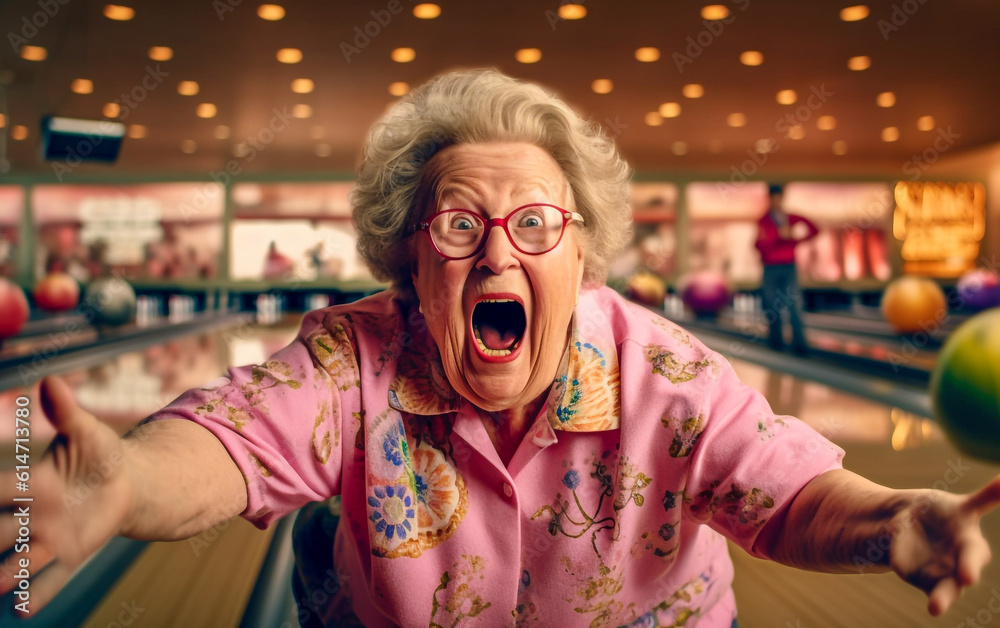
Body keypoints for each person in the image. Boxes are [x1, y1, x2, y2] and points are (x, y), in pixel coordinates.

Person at [2, 70, 999, 628]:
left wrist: (893, 519)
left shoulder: (668, 373)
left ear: (583, 258)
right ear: (408, 264)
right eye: (456, 224)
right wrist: (124, 481)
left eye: (535, 224)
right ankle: (325, 546)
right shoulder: (358, 355)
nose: (496, 251)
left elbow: (784, 492)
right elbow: (235, 436)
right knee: (324, 553)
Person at [754, 184, 819, 355]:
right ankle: (776, 344)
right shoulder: (764, 221)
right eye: (773, 198)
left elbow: (814, 229)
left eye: (779, 198)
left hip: (789, 267)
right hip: (770, 268)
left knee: (794, 305)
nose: (776, 201)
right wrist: (778, 237)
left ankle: (800, 345)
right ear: (769, 199)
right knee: (771, 307)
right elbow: (759, 245)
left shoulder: (791, 218)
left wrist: (796, 238)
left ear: (782, 198)